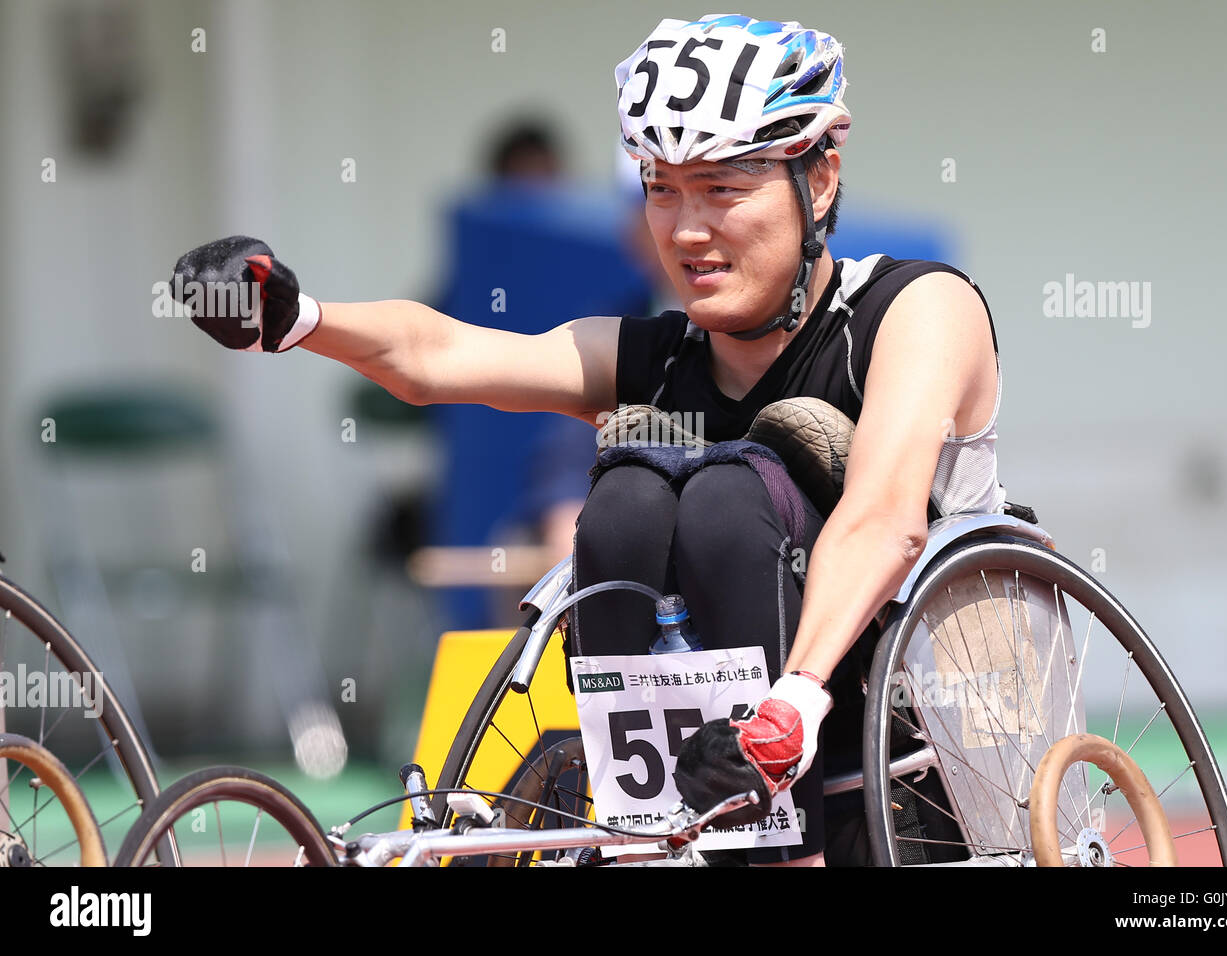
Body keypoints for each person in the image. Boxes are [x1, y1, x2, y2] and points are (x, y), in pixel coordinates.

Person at [169, 14, 1010, 867]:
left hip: (908, 747)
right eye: (662, 188)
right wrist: (293, 318)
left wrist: (792, 702)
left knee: (727, 500)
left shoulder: (919, 311)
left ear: (819, 181)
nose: (687, 229)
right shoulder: (658, 355)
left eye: (722, 188)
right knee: (628, 503)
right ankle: (645, 833)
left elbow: (885, 518)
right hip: (705, 767)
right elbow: (439, 354)